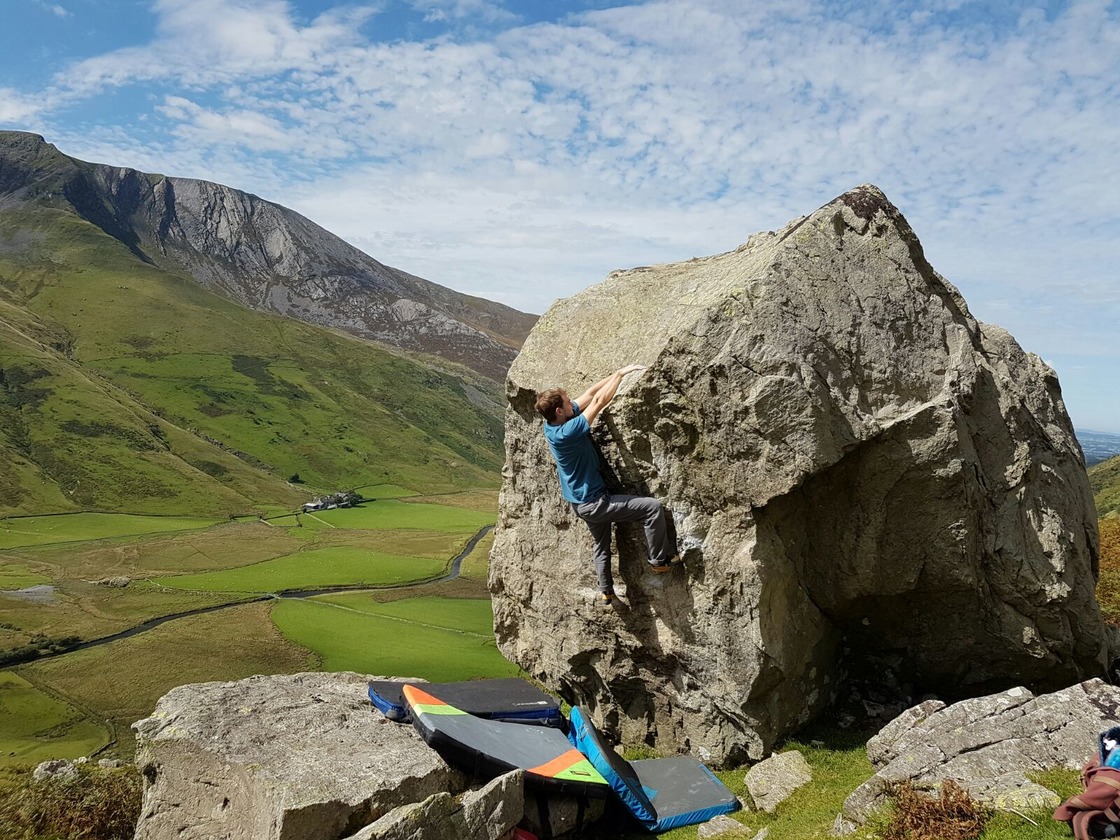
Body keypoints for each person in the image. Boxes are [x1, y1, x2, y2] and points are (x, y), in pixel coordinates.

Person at [535, 365, 680, 606]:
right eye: (568, 402)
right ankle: (659, 561)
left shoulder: (552, 425)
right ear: (560, 410)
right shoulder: (568, 431)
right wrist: (621, 375)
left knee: (601, 545)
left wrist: (618, 372)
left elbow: (591, 393)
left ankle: (606, 591)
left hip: (580, 503)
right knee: (652, 507)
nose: (573, 403)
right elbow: (600, 401)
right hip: (594, 503)